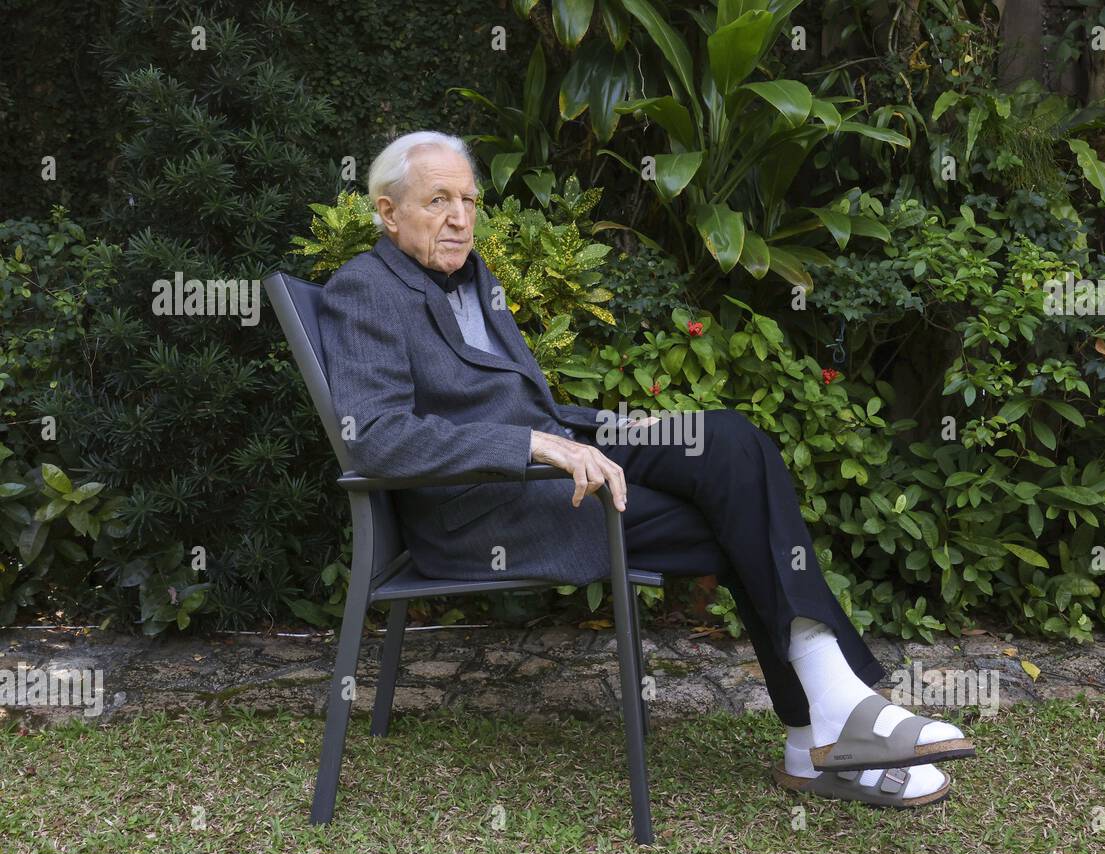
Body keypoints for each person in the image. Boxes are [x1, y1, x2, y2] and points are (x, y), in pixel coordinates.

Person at [317, 131, 976, 809]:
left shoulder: (471, 277)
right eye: (438, 200)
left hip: (554, 462)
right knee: (737, 508)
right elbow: (373, 435)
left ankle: (827, 722)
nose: (460, 217)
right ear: (389, 212)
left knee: (728, 441)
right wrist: (533, 446)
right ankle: (822, 725)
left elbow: (521, 401)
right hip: (489, 506)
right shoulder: (366, 290)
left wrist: (605, 426)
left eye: (469, 199)